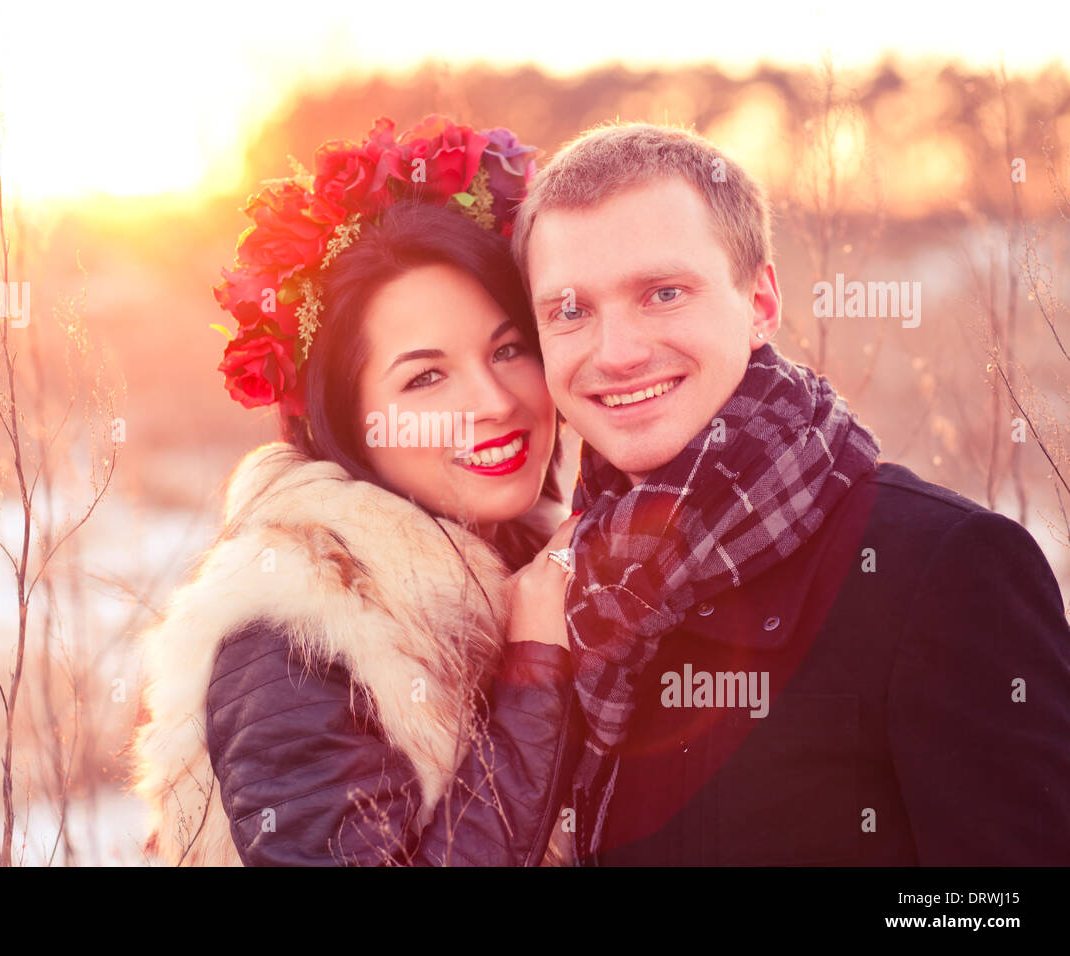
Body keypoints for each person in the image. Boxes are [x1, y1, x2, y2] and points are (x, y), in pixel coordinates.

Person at [513, 121, 1070, 865]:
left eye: (664, 292)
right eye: (570, 311)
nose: (616, 352)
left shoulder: (942, 568)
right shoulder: (569, 589)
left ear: (761, 303)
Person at [132, 116, 581, 865]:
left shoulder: (545, 555)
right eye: (426, 377)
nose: (495, 401)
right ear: (350, 422)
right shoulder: (298, 631)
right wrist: (535, 675)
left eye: (508, 349)